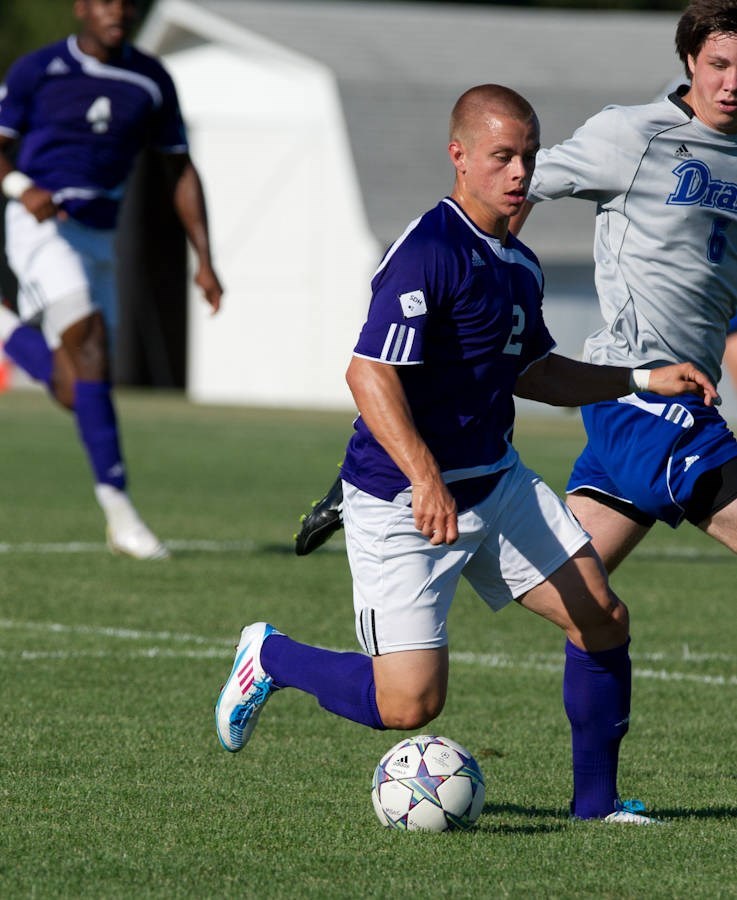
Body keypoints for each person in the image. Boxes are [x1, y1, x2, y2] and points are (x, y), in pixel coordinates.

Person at [216, 84, 718, 824]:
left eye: (528, 156)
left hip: (496, 485)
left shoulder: (518, 264)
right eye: (501, 157)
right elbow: (367, 372)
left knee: (602, 616)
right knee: (409, 703)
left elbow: (537, 371)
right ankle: (272, 657)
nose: (519, 173)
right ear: (459, 157)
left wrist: (639, 377)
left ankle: (596, 806)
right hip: (400, 500)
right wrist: (424, 478)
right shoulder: (429, 250)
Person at [295, 0, 737, 576]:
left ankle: (272, 657)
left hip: (683, 385)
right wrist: (492, 290)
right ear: (689, 60)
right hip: (640, 392)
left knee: (586, 602)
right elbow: (516, 184)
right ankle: (374, 471)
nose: (731, 83)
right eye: (719, 64)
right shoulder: (633, 136)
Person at [0, 0, 223, 559]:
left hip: (101, 238)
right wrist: (21, 187)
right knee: (92, 343)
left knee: (79, 388)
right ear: (81, 8)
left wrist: (204, 257)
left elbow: (179, 167)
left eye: (125, 2)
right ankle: (121, 515)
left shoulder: (149, 79)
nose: (116, 10)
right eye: (103, 0)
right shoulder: (38, 69)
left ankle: (6, 330)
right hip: (40, 229)